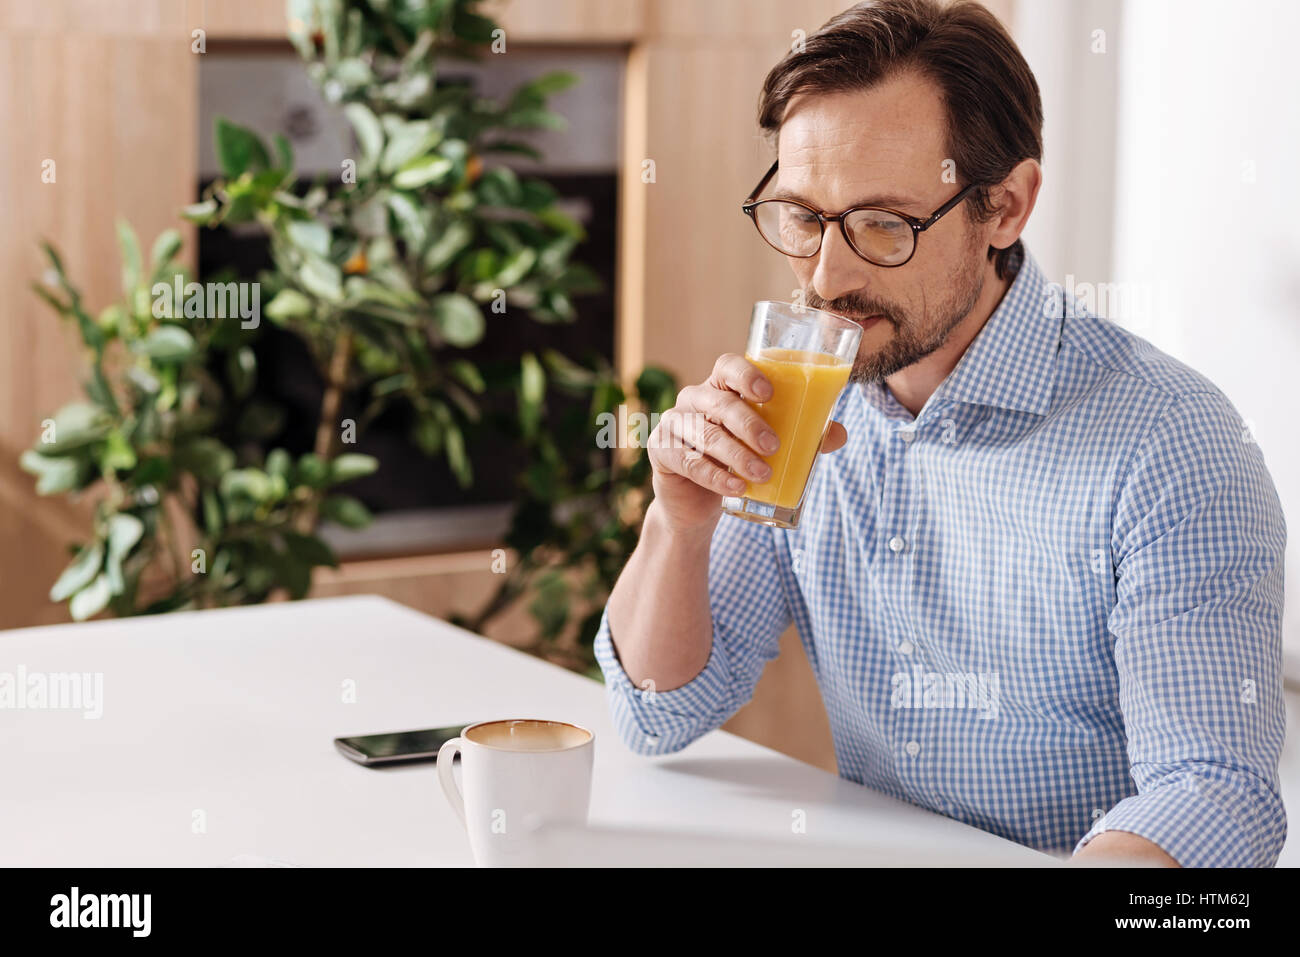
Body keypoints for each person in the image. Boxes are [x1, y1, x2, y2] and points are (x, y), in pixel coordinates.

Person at [594, 0, 1288, 868]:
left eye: (882, 224)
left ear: (1005, 206)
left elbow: (1216, 791)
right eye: (803, 216)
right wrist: (680, 523)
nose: (825, 275)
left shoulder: (1171, 445)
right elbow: (657, 711)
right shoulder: (809, 406)